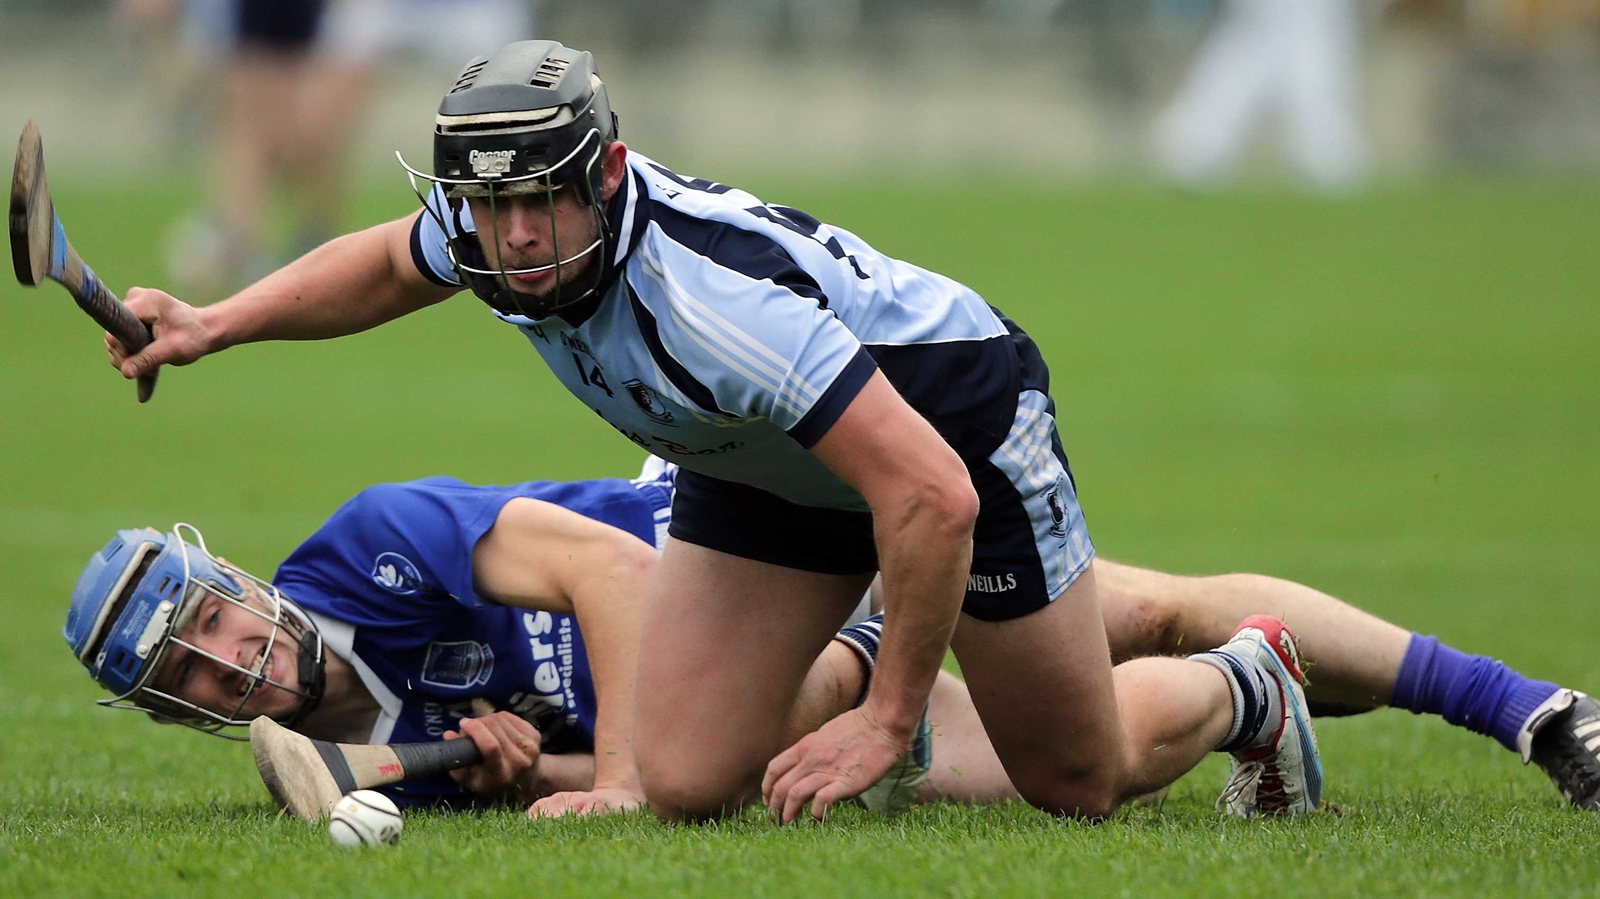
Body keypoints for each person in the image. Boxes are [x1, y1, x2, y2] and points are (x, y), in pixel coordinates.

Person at [85, 40, 1532, 825]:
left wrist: (886, 714)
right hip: (755, 466)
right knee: (696, 780)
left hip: (943, 420)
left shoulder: (711, 308)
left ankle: (1246, 688)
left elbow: (929, 499)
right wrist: (214, 321)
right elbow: (391, 263)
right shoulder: (498, 232)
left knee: (1074, 779)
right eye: (492, 211)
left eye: (542, 206)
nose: (515, 242)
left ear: (609, 175)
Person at [63, 460, 1600, 814]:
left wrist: (628, 774)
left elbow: (614, 574)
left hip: (774, 548)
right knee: (1081, 762)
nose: (230, 666)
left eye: (211, 626)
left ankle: (1538, 712)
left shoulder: (373, 548)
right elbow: (635, 760)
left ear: (240, 583)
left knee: (1143, 605)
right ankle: (1252, 690)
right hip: (768, 683)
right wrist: (538, 769)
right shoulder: (371, 756)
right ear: (171, 709)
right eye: (184, 676)